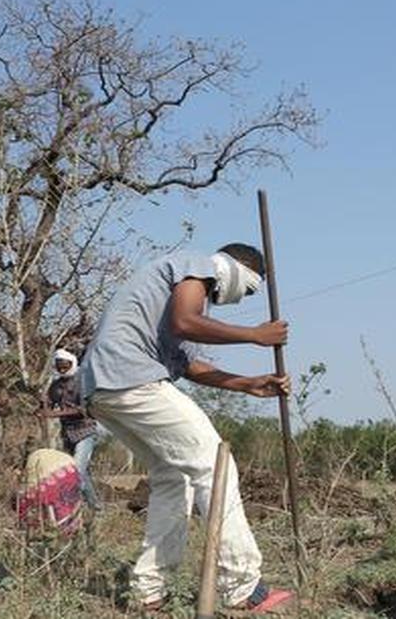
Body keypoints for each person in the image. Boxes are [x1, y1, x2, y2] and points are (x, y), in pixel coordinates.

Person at [79, 243, 293, 613]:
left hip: (104, 386)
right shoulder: (198, 266)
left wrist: (248, 384)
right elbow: (185, 322)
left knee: (173, 477)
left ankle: (148, 591)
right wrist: (254, 335)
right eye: (250, 289)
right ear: (236, 269)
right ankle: (243, 587)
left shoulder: (185, 296)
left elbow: (189, 365)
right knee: (214, 463)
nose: (242, 300)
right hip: (132, 377)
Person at [40, 348, 102, 510]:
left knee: (75, 471)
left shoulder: (82, 382)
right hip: (67, 433)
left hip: (85, 431)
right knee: (82, 473)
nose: (61, 368)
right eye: (59, 365)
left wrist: (54, 413)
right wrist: (43, 404)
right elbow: (48, 402)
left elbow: (83, 409)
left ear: (72, 364)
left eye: (64, 365)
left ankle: (68, 506)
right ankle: (96, 508)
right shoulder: (56, 385)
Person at [16, 448, 86, 532]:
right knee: (70, 500)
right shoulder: (46, 454)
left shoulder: (34, 460)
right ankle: (73, 526)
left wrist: (22, 516)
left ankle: (57, 529)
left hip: (51, 475)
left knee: (49, 499)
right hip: (70, 468)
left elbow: (29, 492)